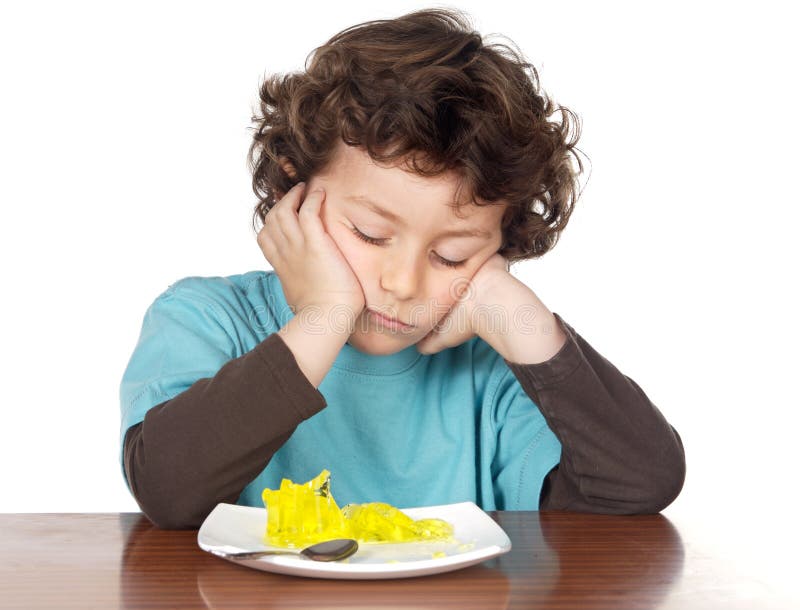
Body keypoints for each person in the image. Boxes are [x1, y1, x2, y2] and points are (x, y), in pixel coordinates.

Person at [119, 8, 685, 529]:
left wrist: (519, 317)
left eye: (452, 256)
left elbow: (637, 484)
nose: (403, 283)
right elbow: (168, 490)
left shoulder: (492, 373)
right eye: (369, 234)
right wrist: (324, 318)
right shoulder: (205, 319)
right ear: (294, 191)